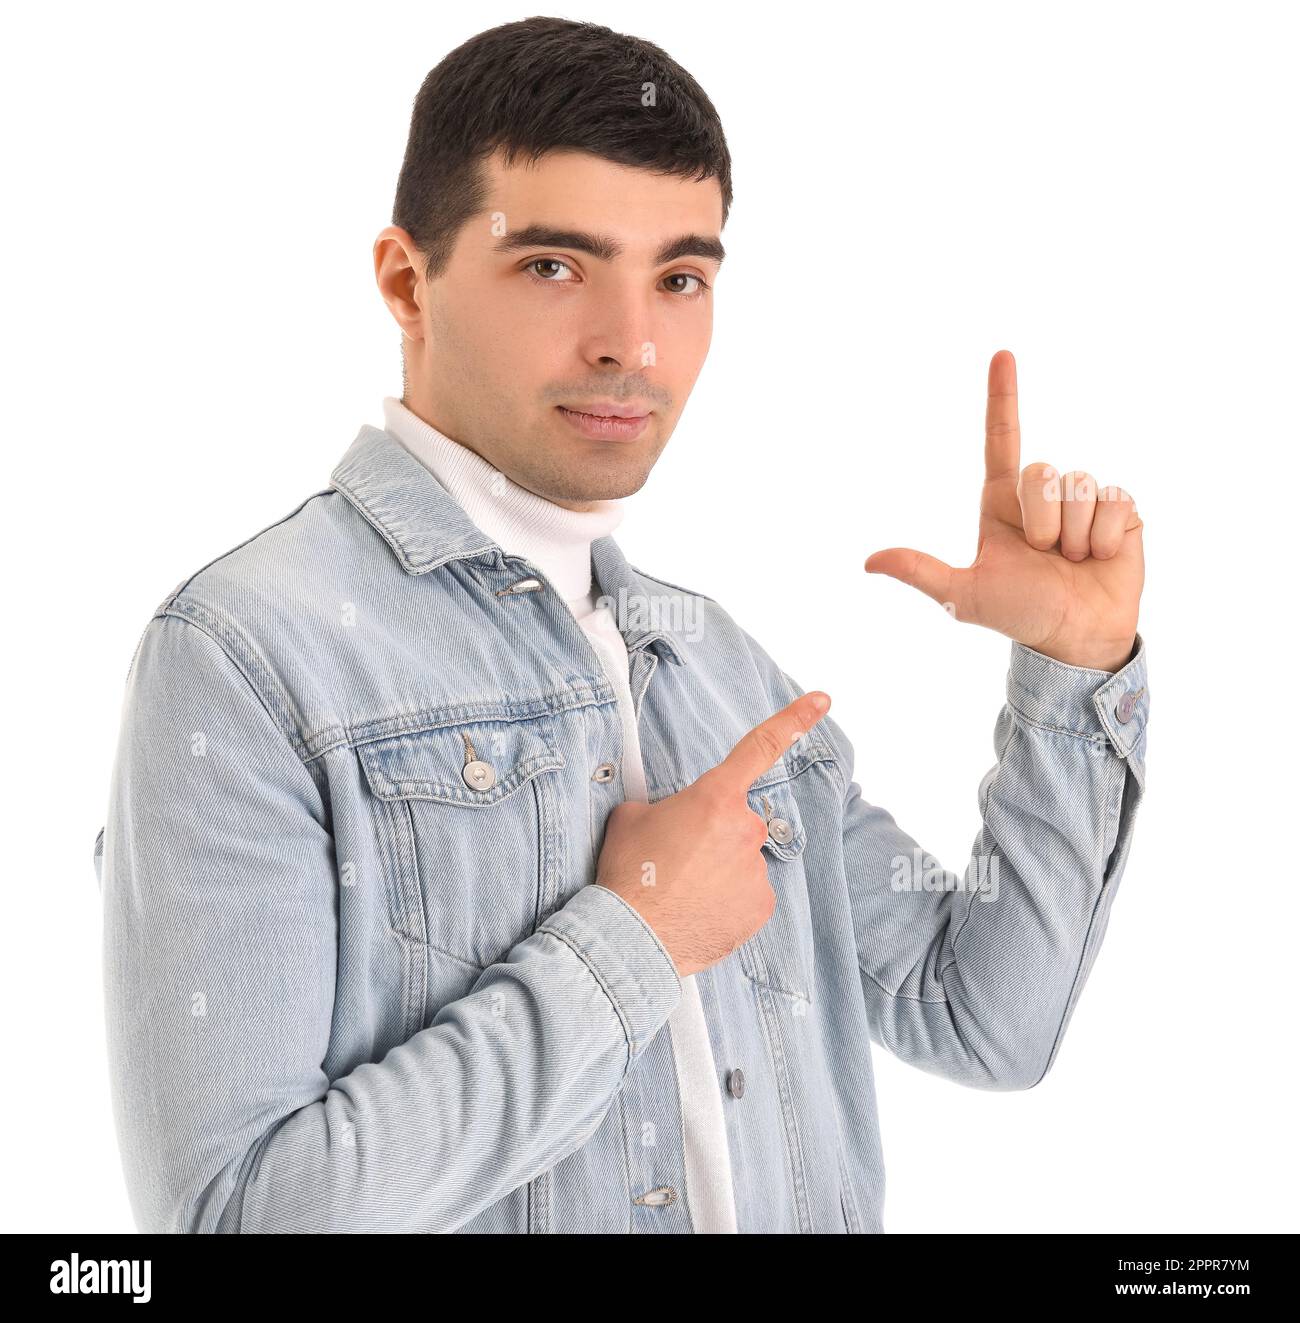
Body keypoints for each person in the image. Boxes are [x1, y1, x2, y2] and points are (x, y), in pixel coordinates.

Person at [95, 15, 1149, 1234]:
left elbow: (981, 1021)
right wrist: (635, 938)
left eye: (679, 278)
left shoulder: (717, 666)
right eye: (552, 265)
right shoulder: (244, 659)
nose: (632, 344)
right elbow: (235, 1218)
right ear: (405, 280)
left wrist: (1071, 675)